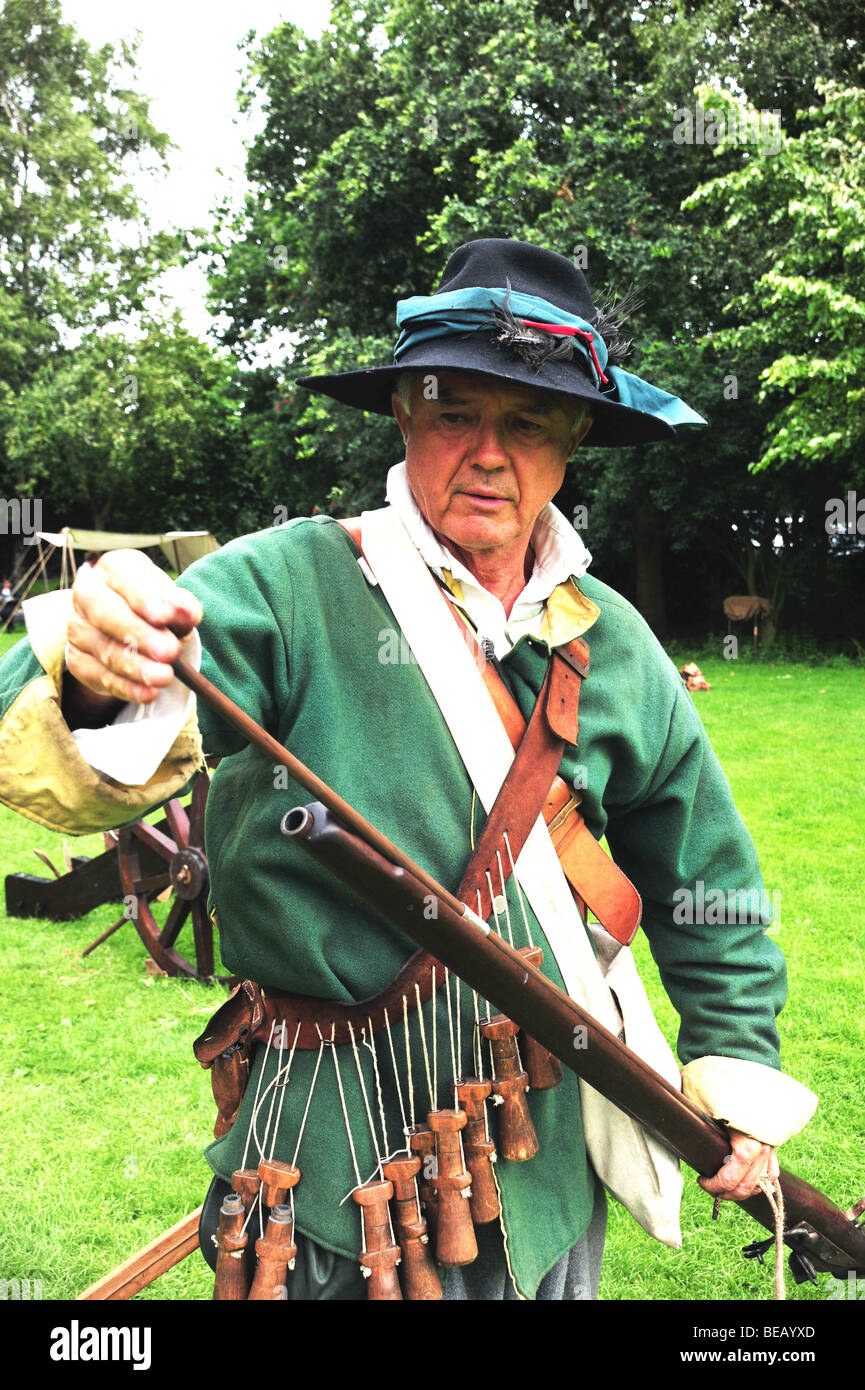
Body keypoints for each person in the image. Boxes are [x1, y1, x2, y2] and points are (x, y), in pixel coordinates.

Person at [0, 238, 816, 1301]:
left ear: (572, 442)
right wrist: (104, 655)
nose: (487, 453)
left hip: (544, 1159)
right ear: (402, 417)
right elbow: (84, 722)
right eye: (453, 414)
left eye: (524, 422)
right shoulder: (287, 584)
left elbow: (707, 876)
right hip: (324, 1167)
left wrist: (736, 1061)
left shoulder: (612, 642)